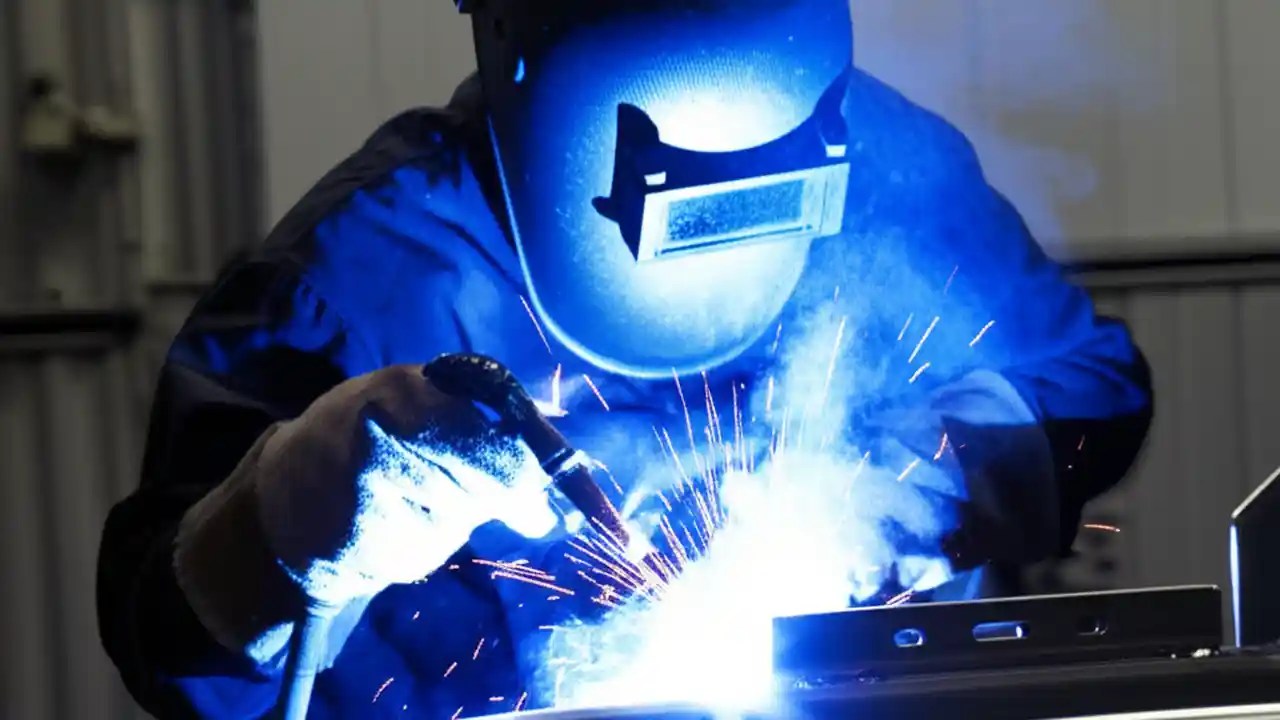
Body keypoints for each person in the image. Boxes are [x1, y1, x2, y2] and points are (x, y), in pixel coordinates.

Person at [97, 1, 1153, 718]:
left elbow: (1093, 387)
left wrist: (904, 478)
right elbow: (169, 645)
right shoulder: (362, 280)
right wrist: (286, 514)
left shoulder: (886, 169)